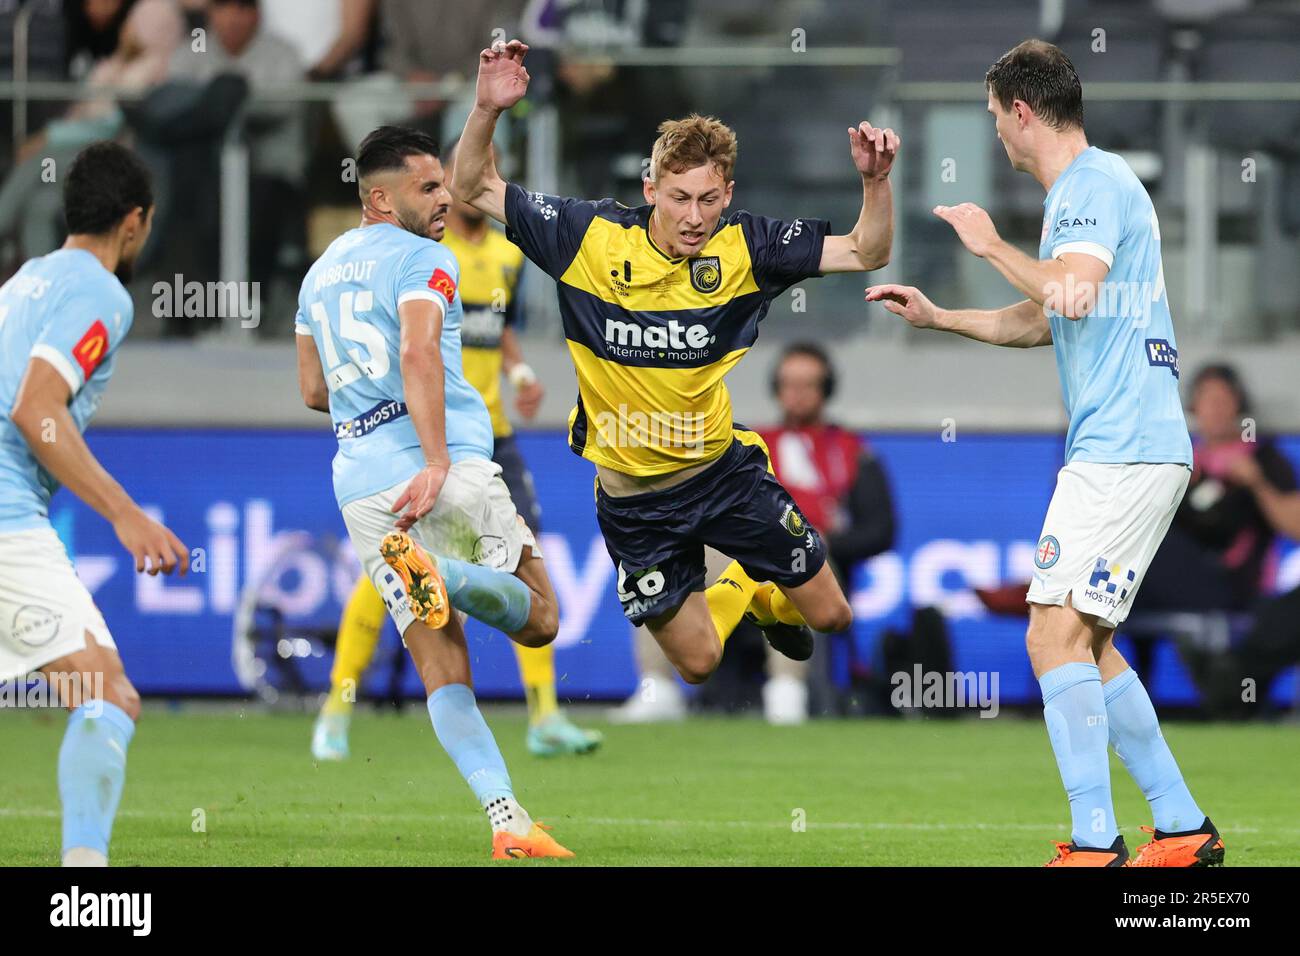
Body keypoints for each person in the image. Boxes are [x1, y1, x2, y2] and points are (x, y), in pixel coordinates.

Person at [867, 39, 1222, 868]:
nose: (996, 135)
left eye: (995, 119)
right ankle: (1180, 827)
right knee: (1087, 644)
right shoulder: (1092, 190)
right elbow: (1047, 317)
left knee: (1048, 639)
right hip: (1130, 447)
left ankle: (1096, 845)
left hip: (1123, 450)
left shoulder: (1089, 186)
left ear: (1022, 111)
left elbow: (1071, 291)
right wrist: (942, 316)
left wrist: (989, 244)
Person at [452, 40, 896, 697]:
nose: (694, 217)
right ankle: (752, 593)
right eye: (680, 197)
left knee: (831, 614)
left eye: (709, 199)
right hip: (633, 503)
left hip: (720, 475)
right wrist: (487, 106)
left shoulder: (748, 245)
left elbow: (867, 251)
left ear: (729, 194)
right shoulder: (586, 239)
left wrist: (875, 181)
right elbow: (472, 184)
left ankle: (762, 591)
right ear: (649, 187)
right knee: (698, 663)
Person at [295, 125, 570, 859]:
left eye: (443, 183)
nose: (446, 195)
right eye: (428, 187)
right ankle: (445, 575)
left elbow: (314, 388)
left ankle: (507, 817)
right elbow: (418, 348)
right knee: (541, 618)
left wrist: (370, 406)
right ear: (379, 199)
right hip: (438, 467)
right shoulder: (427, 258)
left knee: (442, 669)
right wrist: (439, 458)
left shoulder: (317, 274)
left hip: (360, 485)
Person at [0, 141, 190, 866]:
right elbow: (35, 408)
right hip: (6, 519)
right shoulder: (99, 292)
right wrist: (124, 513)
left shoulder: (26, 279)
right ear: (135, 223)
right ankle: (83, 887)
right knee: (107, 694)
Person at [756, 342, 896, 721]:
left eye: (808, 384)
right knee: (680, 559)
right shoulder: (752, 446)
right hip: (749, 555)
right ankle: (660, 687)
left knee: (801, 552)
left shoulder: (853, 451)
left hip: (819, 559)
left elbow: (881, 530)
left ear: (826, 390)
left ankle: (786, 692)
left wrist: (827, 539)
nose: (797, 394)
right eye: (789, 384)